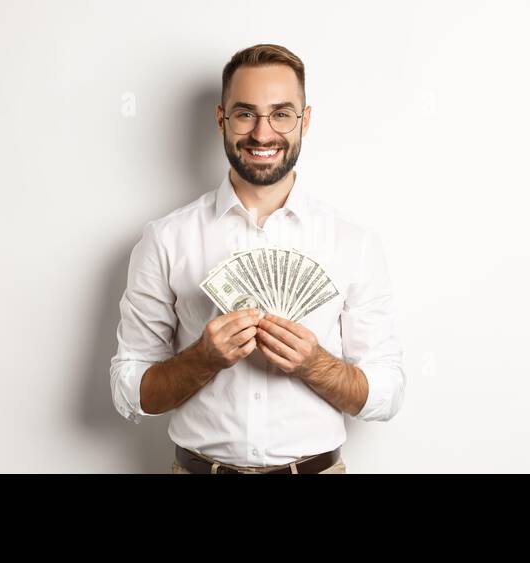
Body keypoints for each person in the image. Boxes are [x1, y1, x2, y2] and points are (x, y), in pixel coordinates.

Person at [109, 44, 405, 474]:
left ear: (305, 121)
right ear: (221, 120)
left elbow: (387, 393)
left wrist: (315, 365)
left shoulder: (353, 242)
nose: (263, 134)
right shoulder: (165, 239)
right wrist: (203, 358)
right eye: (245, 113)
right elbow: (128, 391)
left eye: (281, 114)